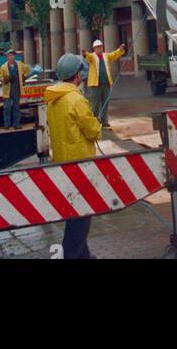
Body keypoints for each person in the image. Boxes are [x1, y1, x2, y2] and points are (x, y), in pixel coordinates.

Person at [44, 54, 102, 260]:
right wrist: (98, 125)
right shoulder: (76, 99)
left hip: (62, 162)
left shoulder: (53, 100)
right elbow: (92, 130)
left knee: (74, 212)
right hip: (81, 164)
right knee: (81, 216)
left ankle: (83, 254)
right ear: (77, 74)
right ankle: (74, 255)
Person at [82, 37, 127, 124]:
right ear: (94, 49)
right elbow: (87, 56)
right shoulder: (92, 56)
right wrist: (84, 54)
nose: (99, 48)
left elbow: (114, 54)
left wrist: (120, 49)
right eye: (97, 47)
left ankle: (104, 121)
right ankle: (94, 122)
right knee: (95, 104)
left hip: (106, 84)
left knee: (105, 103)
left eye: (100, 46)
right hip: (95, 85)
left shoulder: (106, 56)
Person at [0, 50, 29, 128]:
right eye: (10, 55)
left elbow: (27, 69)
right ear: (7, 57)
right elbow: (0, 77)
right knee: (7, 108)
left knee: (16, 107)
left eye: (13, 55)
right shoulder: (3, 67)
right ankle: (7, 124)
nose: (12, 57)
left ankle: (16, 124)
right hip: (7, 90)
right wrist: (5, 79)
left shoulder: (19, 64)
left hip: (16, 88)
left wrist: (24, 76)